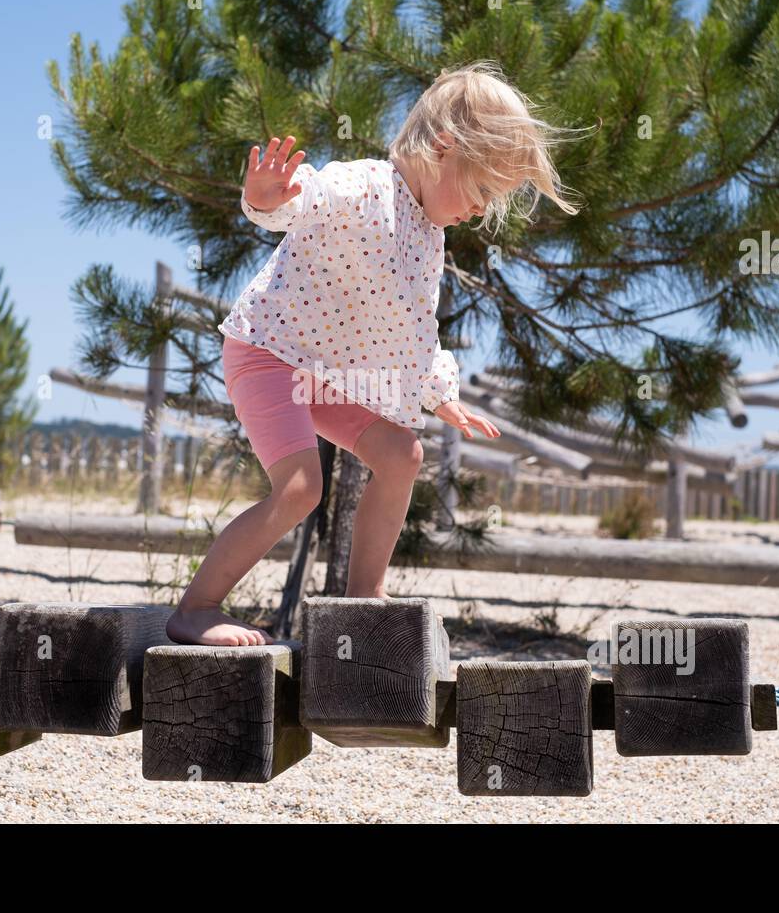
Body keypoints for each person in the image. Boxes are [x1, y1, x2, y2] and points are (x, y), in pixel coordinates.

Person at [166, 60, 581, 646]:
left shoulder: (428, 236)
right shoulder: (361, 186)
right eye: (484, 189)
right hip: (267, 352)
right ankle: (197, 608)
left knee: (402, 454)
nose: (484, 210)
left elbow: (416, 326)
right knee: (300, 489)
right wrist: (263, 201)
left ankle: (363, 600)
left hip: (318, 372)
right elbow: (299, 200)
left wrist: (439, 394)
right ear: (444, 148)